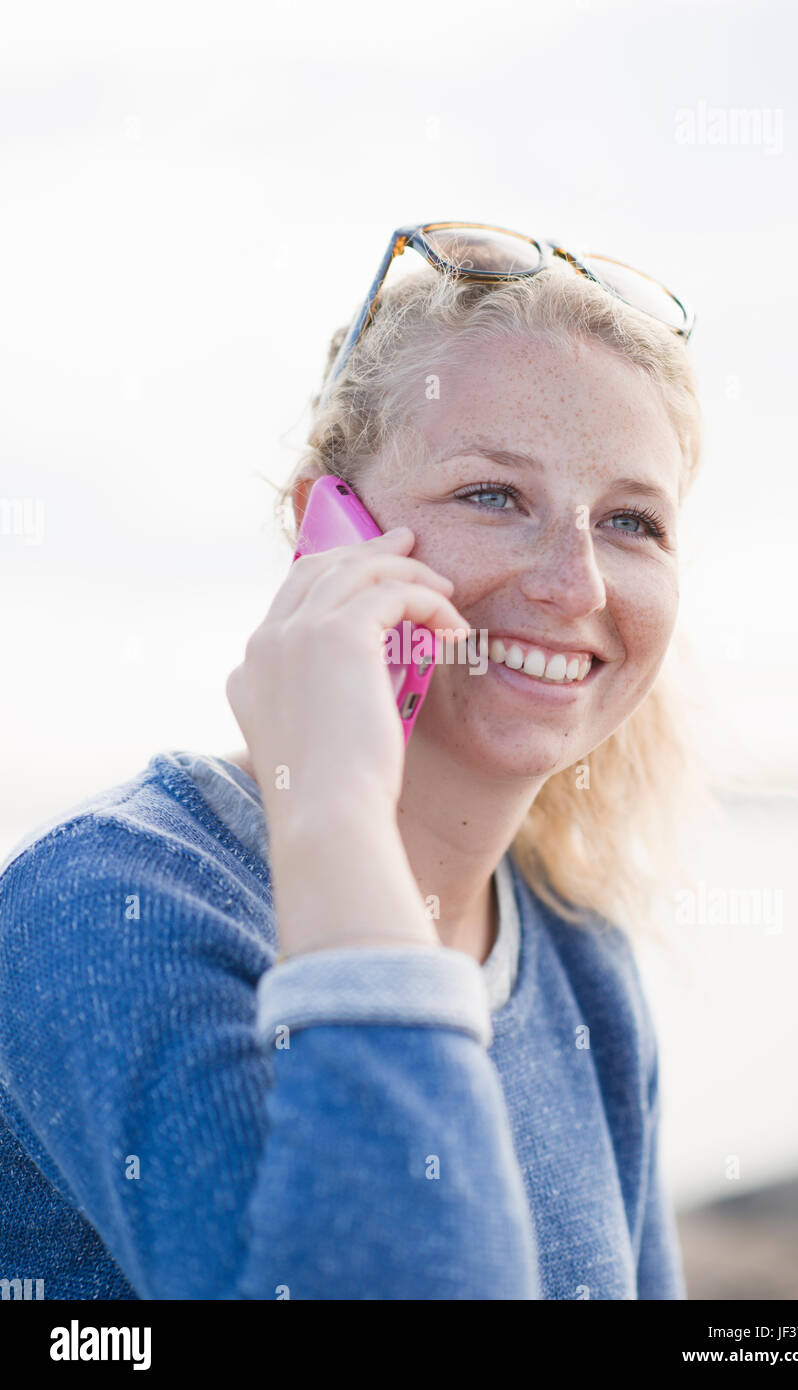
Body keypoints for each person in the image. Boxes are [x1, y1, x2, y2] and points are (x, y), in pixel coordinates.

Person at [0, 224, 704, 1299]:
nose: (577, 585)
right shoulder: (108, 908)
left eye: (630, 522)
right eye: (492, 495)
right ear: (326, 528)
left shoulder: (582, 965)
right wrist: (330, 804)